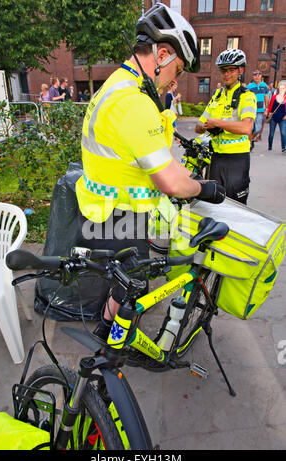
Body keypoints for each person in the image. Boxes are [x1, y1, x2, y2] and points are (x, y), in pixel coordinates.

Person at [75, 3, 226, 345]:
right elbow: (171, 181)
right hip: (120, 218)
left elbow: (142, 152)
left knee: (123, 283)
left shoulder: (119, 85)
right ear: (161, 55)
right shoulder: (134, 103)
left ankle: (109, 331)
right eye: (179, 69)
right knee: (132, 286)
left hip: (102, 210)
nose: (178, 78)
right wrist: (203, 187)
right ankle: (108, 341)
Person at [195, 48, 257, 205]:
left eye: (231, 70)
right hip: (217, 158)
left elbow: (246, 128)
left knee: (237, 205)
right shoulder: (217, 96)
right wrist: (205, 126)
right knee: (216, 202)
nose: (227, 74)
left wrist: (218, 123)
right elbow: (198, 126)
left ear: (240, 70)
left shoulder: (247, 97)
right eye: (223, 70)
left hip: (237, 159)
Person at [246, 70, 269, 149]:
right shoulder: (249, 87)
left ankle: (250, 140)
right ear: (253, 77)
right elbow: (245, 98)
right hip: (251, 111)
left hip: (260, 111)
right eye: (255, 75)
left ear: (261, 76)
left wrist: (266, 109)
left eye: (259, 75)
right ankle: (249, 144)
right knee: (250, 129)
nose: (257, 76)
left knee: (258, 129)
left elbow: (266, 97)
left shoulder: (264, 85)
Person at [265, 80, 286, 152]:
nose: (281, 89)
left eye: (283, 88)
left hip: (283, 118)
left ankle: (284, 147)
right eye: (280, 88)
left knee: (283, 133)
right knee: (271, 133)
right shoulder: (274, 96)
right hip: (274, 117)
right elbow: (271, 106)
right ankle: (270, 146)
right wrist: (269, 112)